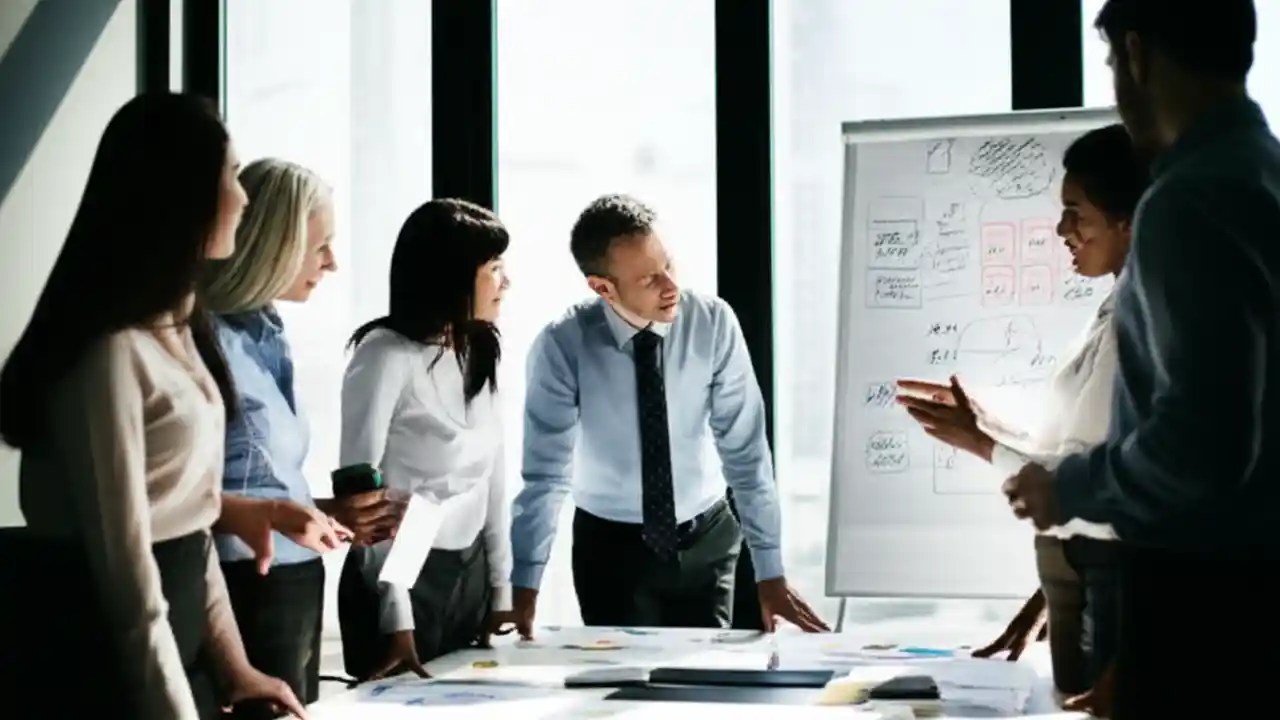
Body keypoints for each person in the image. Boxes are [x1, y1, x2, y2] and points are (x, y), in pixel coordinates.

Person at [1001, 1, 1280, 716]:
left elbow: (1202, 443)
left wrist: (1070, 488)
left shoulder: (1188, 200)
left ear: (1137, 55)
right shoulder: (1263, 175)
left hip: (1205, 600)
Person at [0, 94, 306, 718]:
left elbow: (188, 532)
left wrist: (237, 668)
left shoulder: (183, 332)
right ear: (181, 193)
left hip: (173, 648)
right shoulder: (109, 354)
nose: (243, 198)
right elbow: (128, 575)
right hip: (111, 667)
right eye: (230, 176)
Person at [896, 123, 1146, 716]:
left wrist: (985, 444)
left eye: (1075, 213)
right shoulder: (1114, 305)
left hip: (1117, 582)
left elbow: (1119, 479)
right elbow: (1078, 447)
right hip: (1080, 577)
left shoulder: (1148, 325)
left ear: (1128, 220)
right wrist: (993, 428)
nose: (1062, 230)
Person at [511, 194, 827, 635]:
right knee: (626, 691)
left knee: (709, 688)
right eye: (648, 279)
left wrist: (770, 572)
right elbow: (545, 476)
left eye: (669, 266)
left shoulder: (713, 323)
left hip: (709, 539)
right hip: (611, 550)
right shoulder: (563, 346)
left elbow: (747, 456)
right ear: (603, 288)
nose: (670, 286)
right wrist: (523, 588)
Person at [200, 158, 401, 713]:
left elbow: (256, 476)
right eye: (320, 246)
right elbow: (177, 493)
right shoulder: (201, 340)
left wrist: (326, 510)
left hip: (295, 581)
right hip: (240, 587)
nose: (332, 263)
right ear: (273, 245)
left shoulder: (268, 335)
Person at [337, 199, 517, 681]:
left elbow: (492, 482)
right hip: (399, 572)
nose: (506, 283)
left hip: (470, 569)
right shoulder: (385, 354)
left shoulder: (479, 347)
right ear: (454, 276)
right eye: (495, 269)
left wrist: (501, 591)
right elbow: (361, 497)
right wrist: (396, 617)